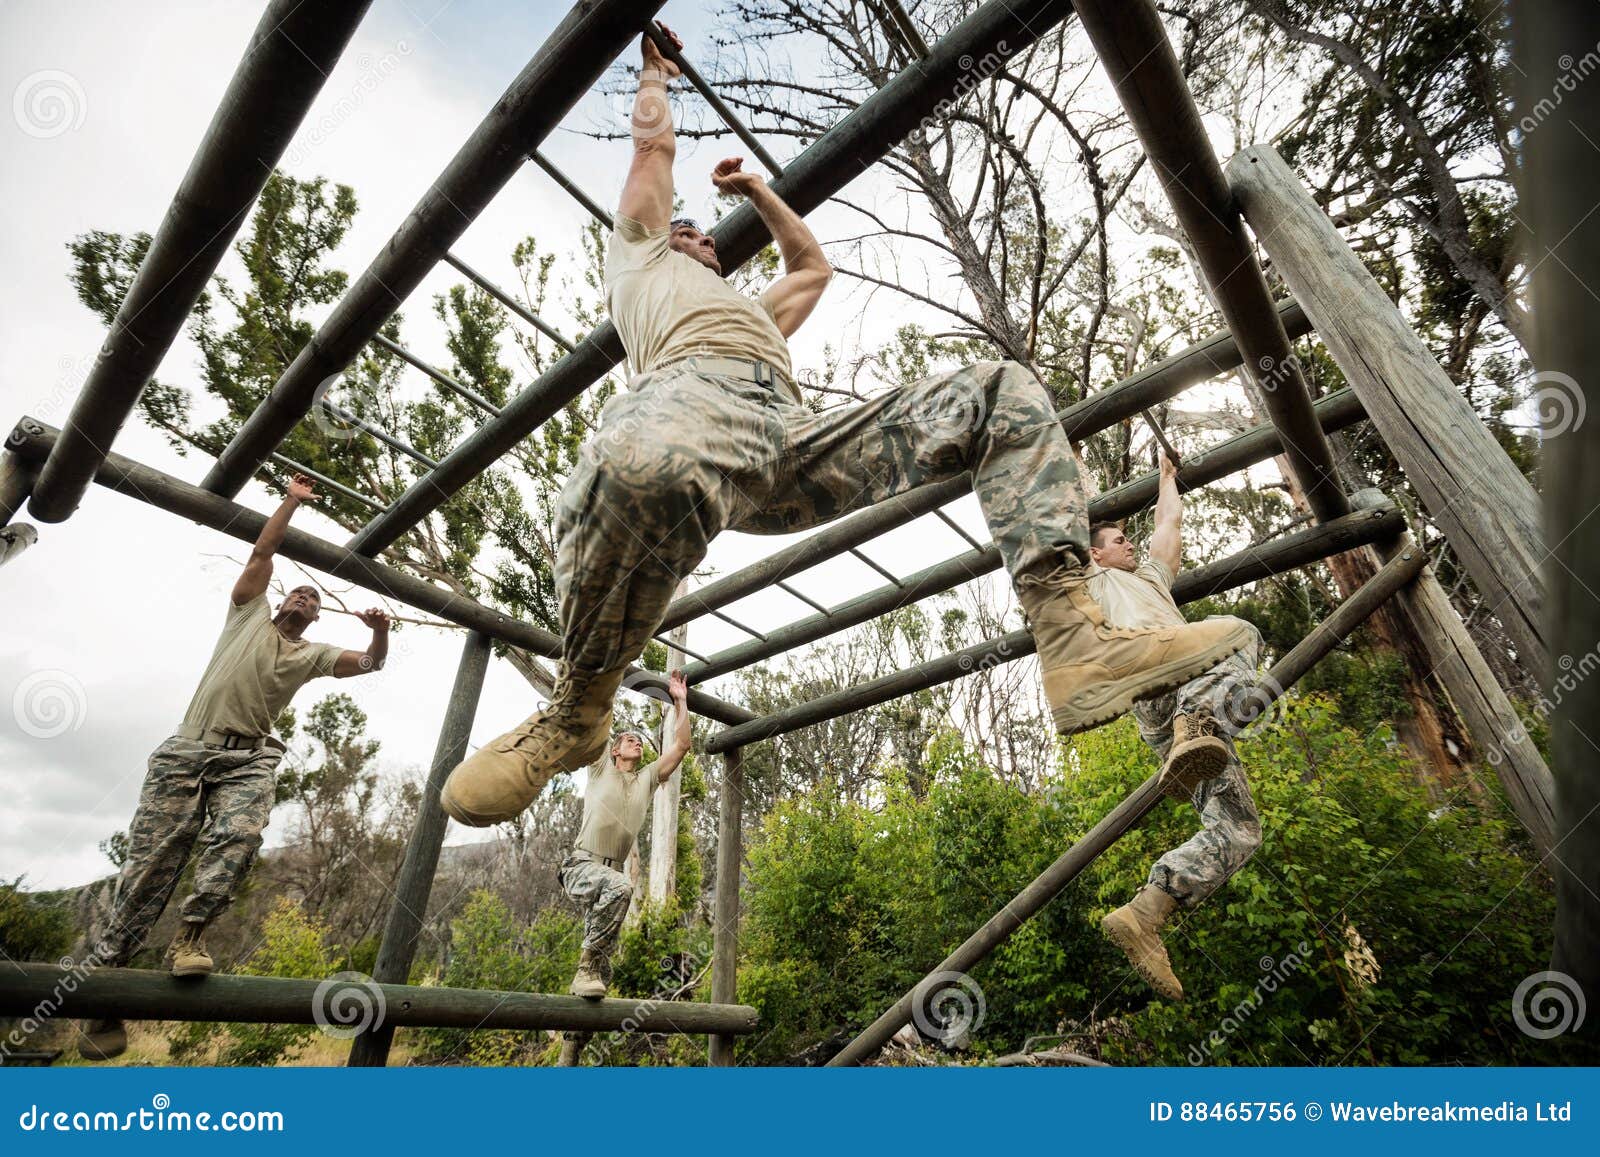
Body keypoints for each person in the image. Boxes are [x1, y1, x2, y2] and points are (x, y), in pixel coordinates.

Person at [438, 23, 1252, 829]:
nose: (691, 234)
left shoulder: (754, 312)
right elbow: (651, 158)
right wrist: (657, 81)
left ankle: (1072, 635)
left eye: (702, 234)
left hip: (790, 440)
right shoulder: (640, 268)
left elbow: (812, 267)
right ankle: (581, 702)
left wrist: (757, 192)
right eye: (680, 229)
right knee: (644, 458)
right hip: (689, 401)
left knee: (998, 393)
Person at [77, 475, 392, 1061]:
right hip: (187, 751)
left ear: (319, 618)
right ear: (278, 601)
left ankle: (191, 935)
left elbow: (370, 664)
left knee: (240, 835)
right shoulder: (247, 618)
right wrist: (291, 501)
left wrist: (380, 632)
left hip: (247, 758)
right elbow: (263, 552)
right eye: (297, 594)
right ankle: (105, 986)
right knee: (151, 866)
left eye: (313, 599)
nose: (302, 598)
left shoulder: (312, 654)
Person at [1093, 452, 1264, 1001]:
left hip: (1182, 721)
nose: (1129, 545)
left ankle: (1147, 913)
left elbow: (1169, 526)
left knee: (1240, 830)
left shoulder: (1151, 581)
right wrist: (1069, 460)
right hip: (1151, 674)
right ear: (1095, 552)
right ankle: (1198, 721)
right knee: (1238, 632)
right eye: (1118, 540)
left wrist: (1167, 479)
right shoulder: (1089, 579)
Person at [560, 671, 692, 999]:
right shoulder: (600, 767)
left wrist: (680, 701)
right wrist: (611, 674)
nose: (636, 742)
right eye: (628, 739)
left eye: (639, 740)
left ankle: (574, 1037)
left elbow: (682, 745)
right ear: (616, 751)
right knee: (621, 887)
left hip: (611, 878)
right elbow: (600, 719)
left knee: (601, 979)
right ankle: (585, 968)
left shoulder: (647, 779)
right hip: (580, 867)